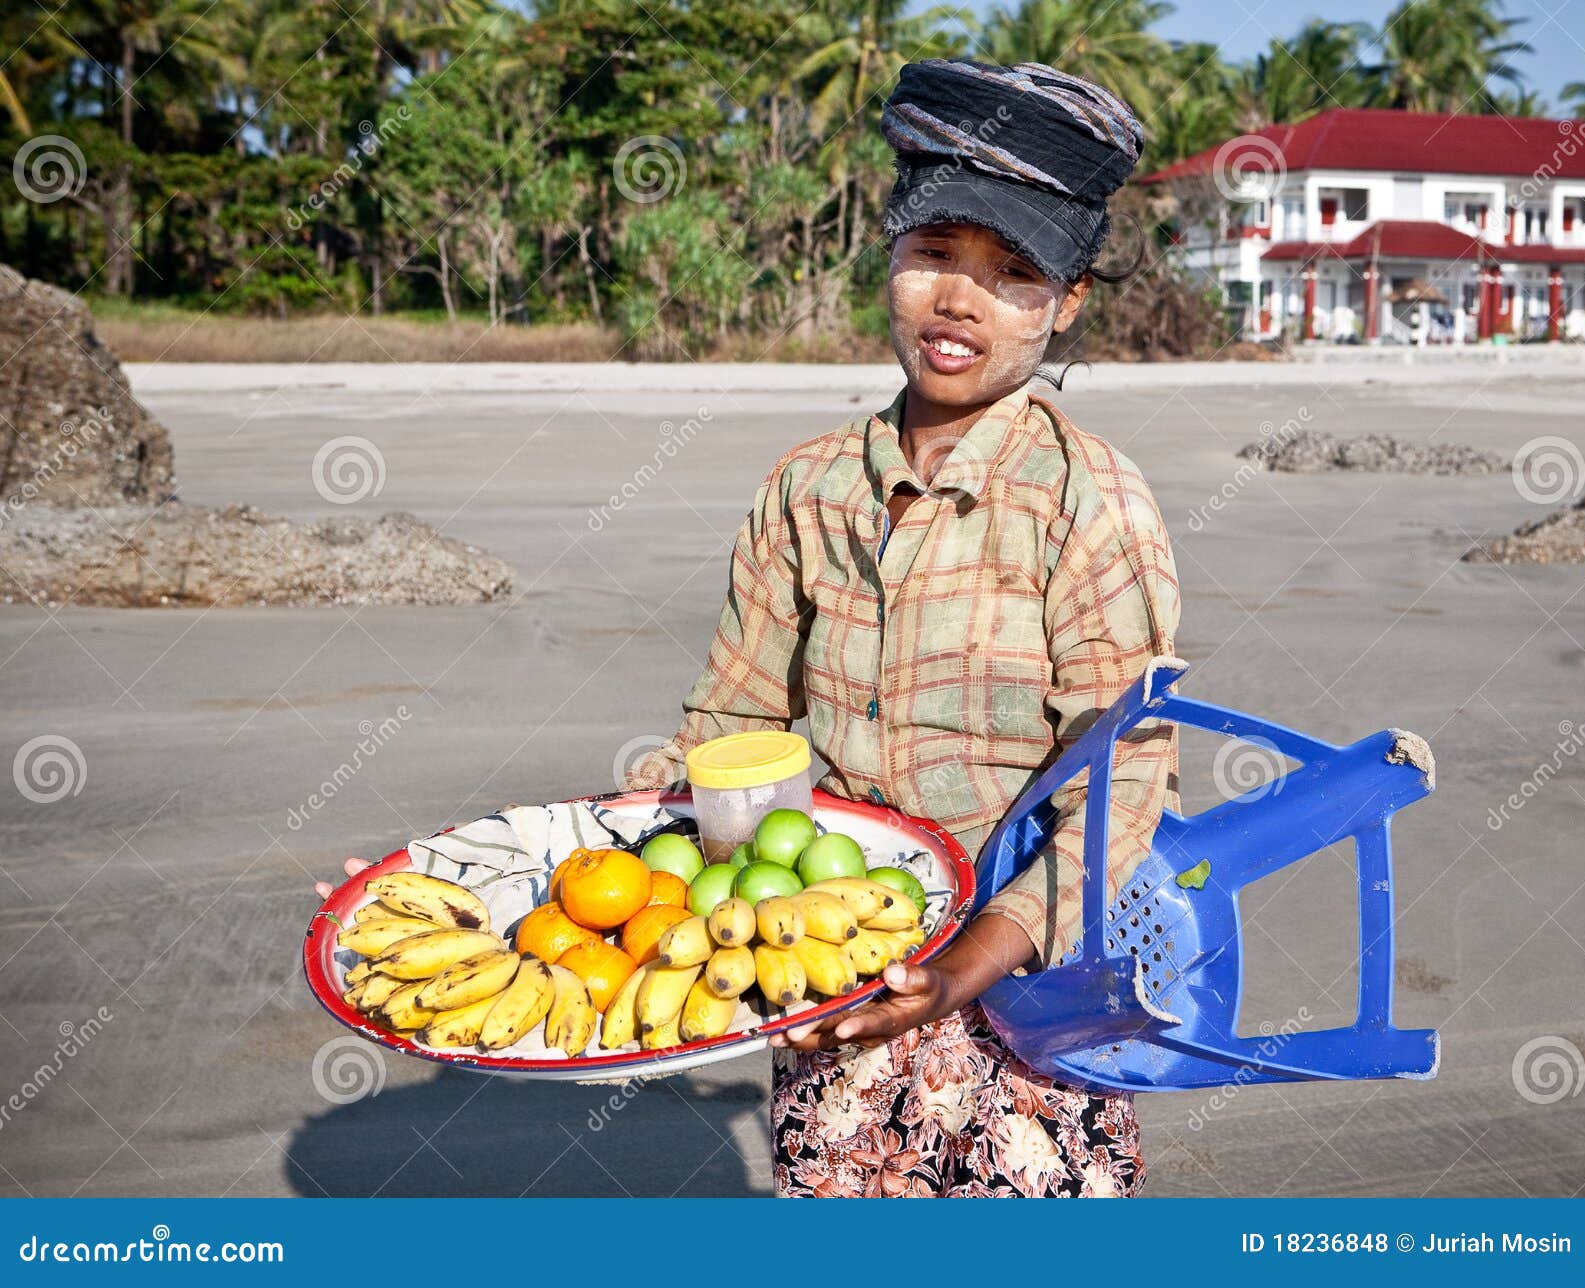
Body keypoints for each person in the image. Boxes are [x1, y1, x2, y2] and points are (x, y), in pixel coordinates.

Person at [318, 58, 1180, 1199]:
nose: (957, 300)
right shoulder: (807, 489)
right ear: (888, 255)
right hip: (814, 970)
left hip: (1029, 999)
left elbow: (1128, 776)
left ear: (1066, 303)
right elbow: (730, 722)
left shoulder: (1090, 503)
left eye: (1011, 273)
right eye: (933, 256)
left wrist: (972, 958)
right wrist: (521, 886)